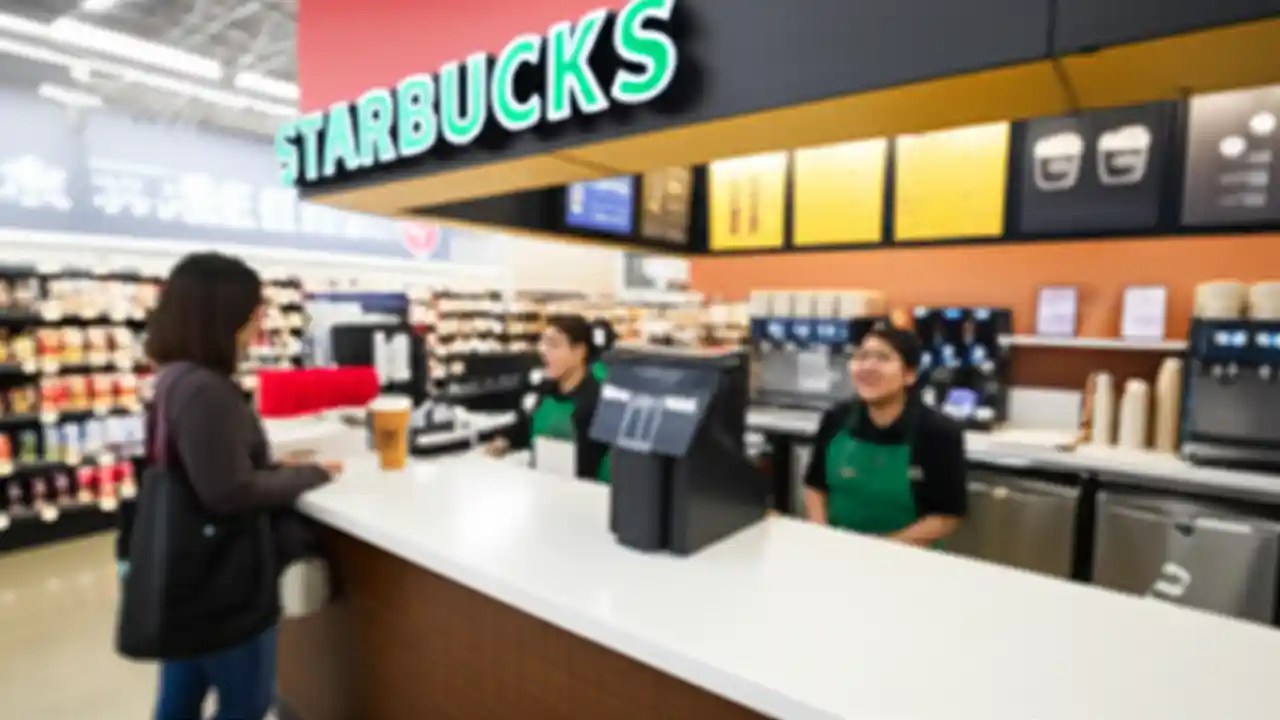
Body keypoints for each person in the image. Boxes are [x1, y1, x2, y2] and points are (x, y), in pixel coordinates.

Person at [131, 253, 341, 720]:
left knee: (179, 696)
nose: (260, 320)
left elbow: (199, 467)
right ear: (223, 315)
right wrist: (311, 474)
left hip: (184, 578)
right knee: (246, 701)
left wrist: (262, 462)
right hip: (223, 585)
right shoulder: (206, 389)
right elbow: (228, 494)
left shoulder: (175, 378)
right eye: (254, 308)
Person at [804, 326, 966, 546]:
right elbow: (815, 486)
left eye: (883, 358)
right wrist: (821, 534)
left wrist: (882, 550)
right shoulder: (837, 418)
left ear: (909, 375)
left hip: (909, 558)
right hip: (838, 551)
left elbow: (947, 516)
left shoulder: (937, 432)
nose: (868, 366)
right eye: (861, 356)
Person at [486, 314, 610, 483]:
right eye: (543, 343)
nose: (543, 350)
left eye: (554, 344)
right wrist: (504, 441)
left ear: (579, 351)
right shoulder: (542, 391)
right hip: (542, 489)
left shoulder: (597, 402)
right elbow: (525, 427)